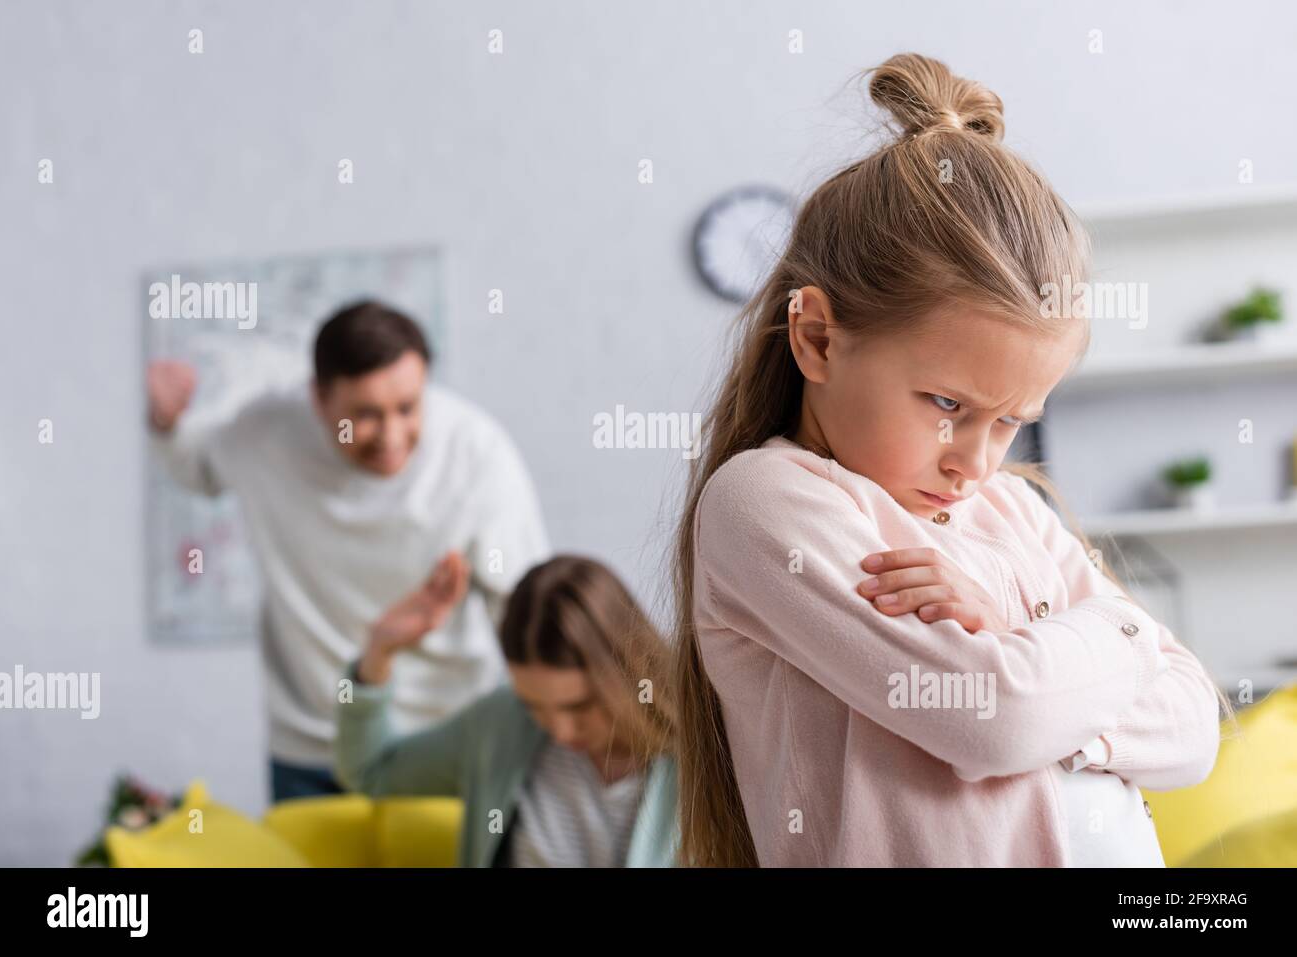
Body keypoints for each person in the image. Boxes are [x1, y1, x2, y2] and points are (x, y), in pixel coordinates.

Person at [670, 53, 1225, 867]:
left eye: (1012, 422)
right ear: (817, 337)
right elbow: (993, 714)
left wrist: (1019, 640)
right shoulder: (765, 503)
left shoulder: (1010, 511)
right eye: (946, 406)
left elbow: (1193, 727)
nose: (975, 461)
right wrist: (1122, 639)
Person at [146, 300, 550, 801]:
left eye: (408, 407)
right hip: (311, 748)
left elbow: (527, 609)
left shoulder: (476, 453)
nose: (393, 435)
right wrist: (165, 422)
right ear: (317, 399)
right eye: (366, 415)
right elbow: (198, 465)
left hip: (444, 745)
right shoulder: (266, 435)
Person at [336, 554, 679, 867]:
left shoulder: (703, 748)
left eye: (579, 706)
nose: (559, 731)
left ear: (627, 672)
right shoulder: (502, 723)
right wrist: (379, 650)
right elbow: (371, 770)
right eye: (534, 706)